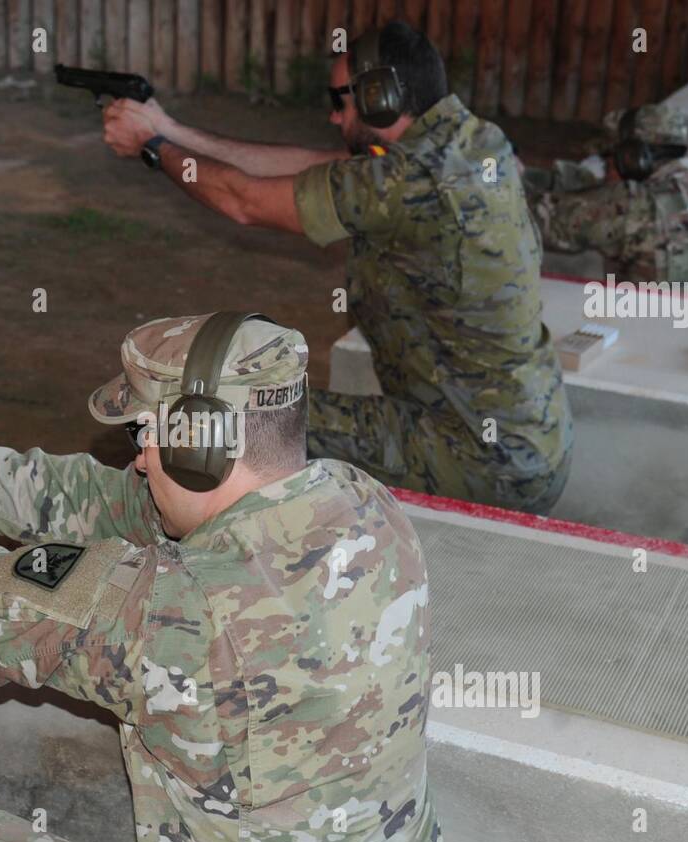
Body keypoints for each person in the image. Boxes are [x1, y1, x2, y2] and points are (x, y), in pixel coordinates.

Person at [0, 311, 442, 842]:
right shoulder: (361, 503)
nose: (139, 458)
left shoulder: (176, 616)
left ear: (202, 444)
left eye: (143, 435)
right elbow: (98, 503)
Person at [100, 21, 572, 515]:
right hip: (531, 436)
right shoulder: (474, 142)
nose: (332, 114)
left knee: (226, 420)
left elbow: (243, 201)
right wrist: (170, 130)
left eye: (340, 98)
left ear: (380, 95)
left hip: (476, 454)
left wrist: (152, 149)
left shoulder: (405, 181)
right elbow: (312, 168)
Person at [525, 103, 688, 298]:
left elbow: (538, 222)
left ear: (632, 158)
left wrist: (505, 178)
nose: (606, 165)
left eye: (610, 157)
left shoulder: (630, 203)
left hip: (645, 332)